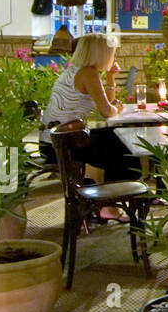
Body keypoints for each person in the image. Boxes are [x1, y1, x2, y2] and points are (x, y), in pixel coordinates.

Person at [39, 33, 137, 220]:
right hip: (63, 144)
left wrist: (110, 77)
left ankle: (105, 201)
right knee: (122, 146)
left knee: (113, 136)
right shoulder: (88, 73)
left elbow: (106, 105)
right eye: (111, 53)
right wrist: (115, 107)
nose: (113, 58)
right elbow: (107, 111)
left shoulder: (77, 70)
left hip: (54, 140)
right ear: (101, 54)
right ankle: (109, 206)